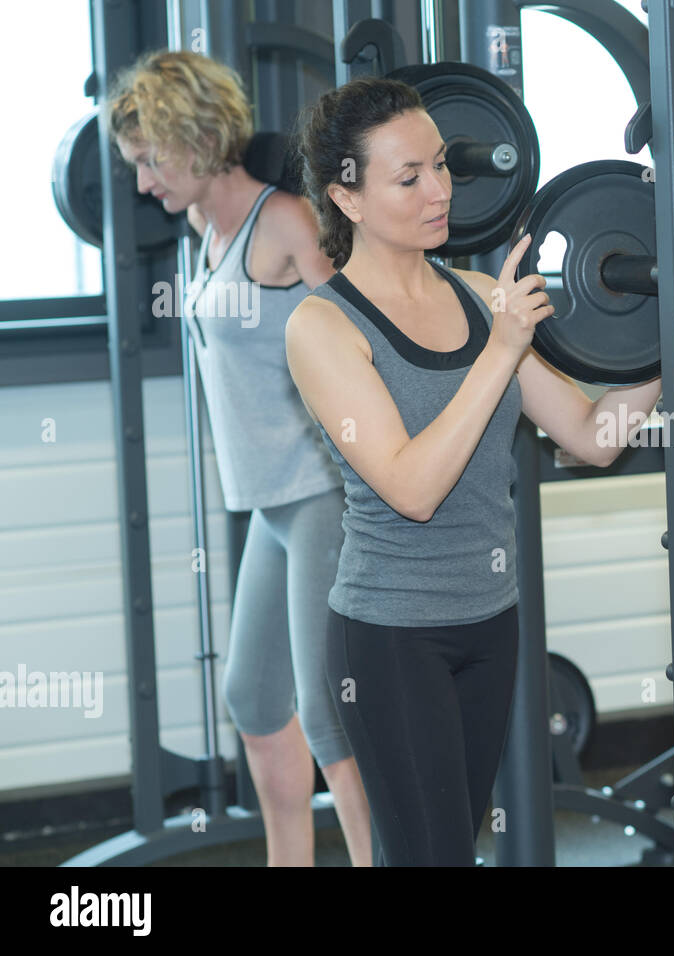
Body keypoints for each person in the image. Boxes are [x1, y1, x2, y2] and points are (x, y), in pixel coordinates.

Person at [285, 76, 663, 866]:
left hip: (490, 622)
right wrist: (499, 349)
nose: (439, 191)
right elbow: (412, 488)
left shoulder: (481, 294)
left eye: (441, 166)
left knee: (441, 847)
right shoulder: (322, 327)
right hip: (390, 638)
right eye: (409, 177)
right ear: (347, 200)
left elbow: (592, 436)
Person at [109, 50, 372, 866]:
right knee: (253, 698)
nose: (145, 182)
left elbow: (364, 332)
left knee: (329, 715)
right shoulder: (203, 229)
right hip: (269, 500)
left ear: (195, 139)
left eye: (152, 160)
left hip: (322, 489)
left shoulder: (284, 223)